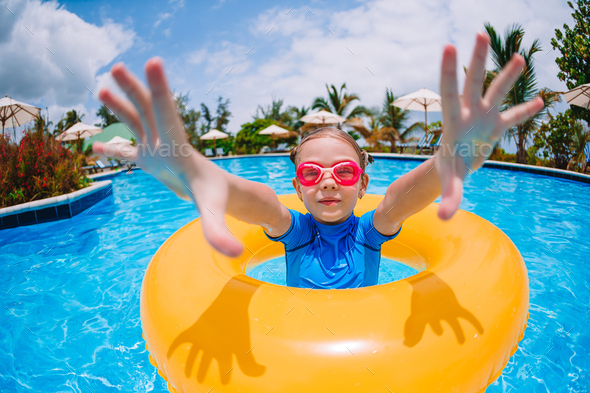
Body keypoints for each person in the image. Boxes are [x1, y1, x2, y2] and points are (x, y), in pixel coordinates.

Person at [92, 32, 544, 288]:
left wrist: (450, 160)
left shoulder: (371, 233)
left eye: (343, 172)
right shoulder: (297, 233)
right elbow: (262, 204)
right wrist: (204, 175)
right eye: (312, 173)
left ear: (362, 183)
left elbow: (401, 201)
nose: (328, 183)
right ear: (300, 184)